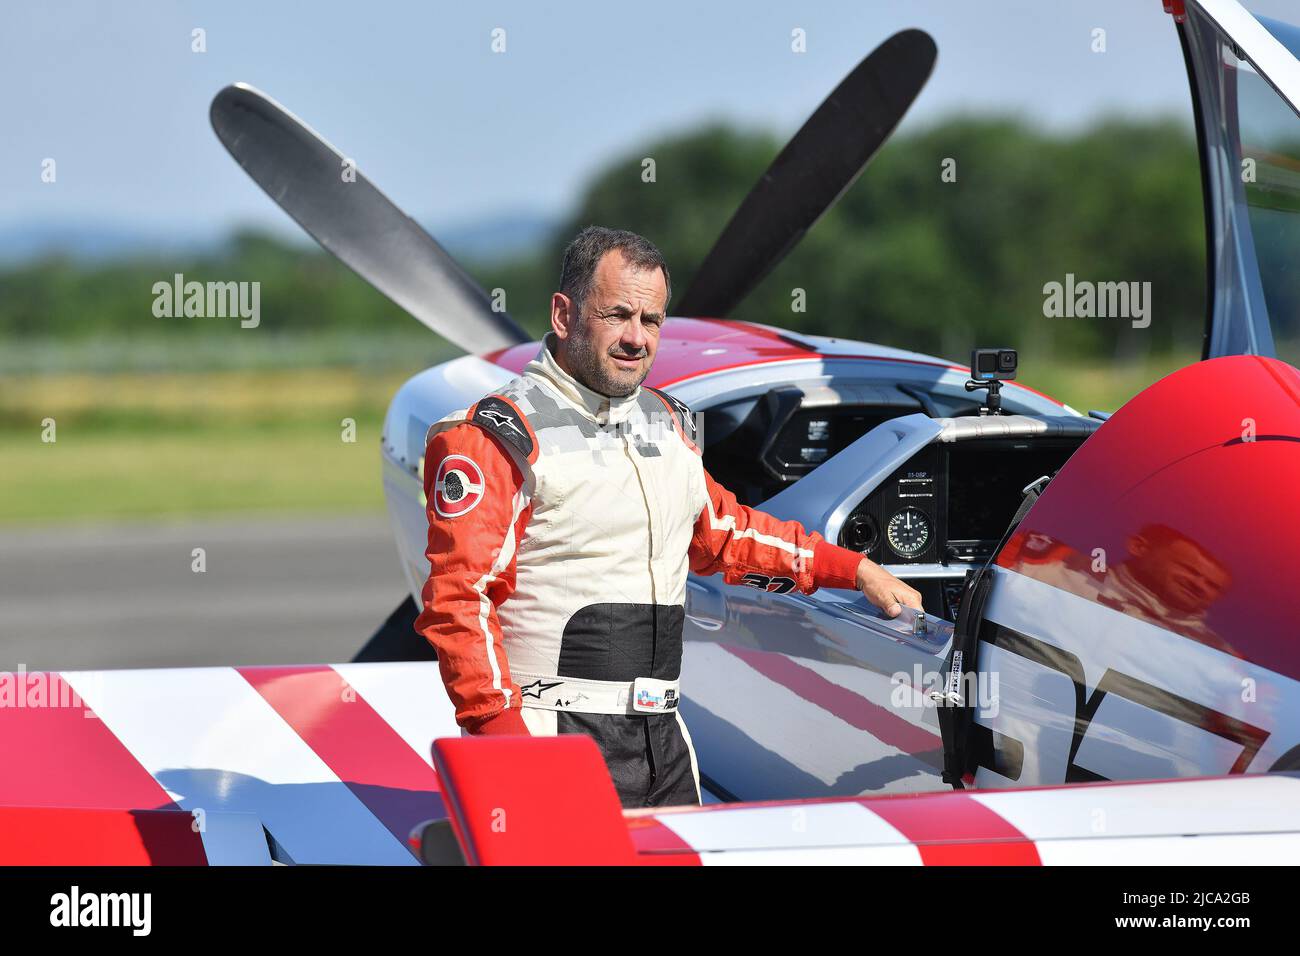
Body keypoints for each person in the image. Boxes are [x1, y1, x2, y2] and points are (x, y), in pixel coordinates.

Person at [414, 225, 923, 808]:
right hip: (549, 739)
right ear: (563, 313)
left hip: (666, 741)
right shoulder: (494, 434)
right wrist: (502, 745)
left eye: (652, 320)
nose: (636, 338)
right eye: (617, 315)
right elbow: (460, 600)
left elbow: (728, 535)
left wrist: (856, 570)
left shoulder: (667, 423)